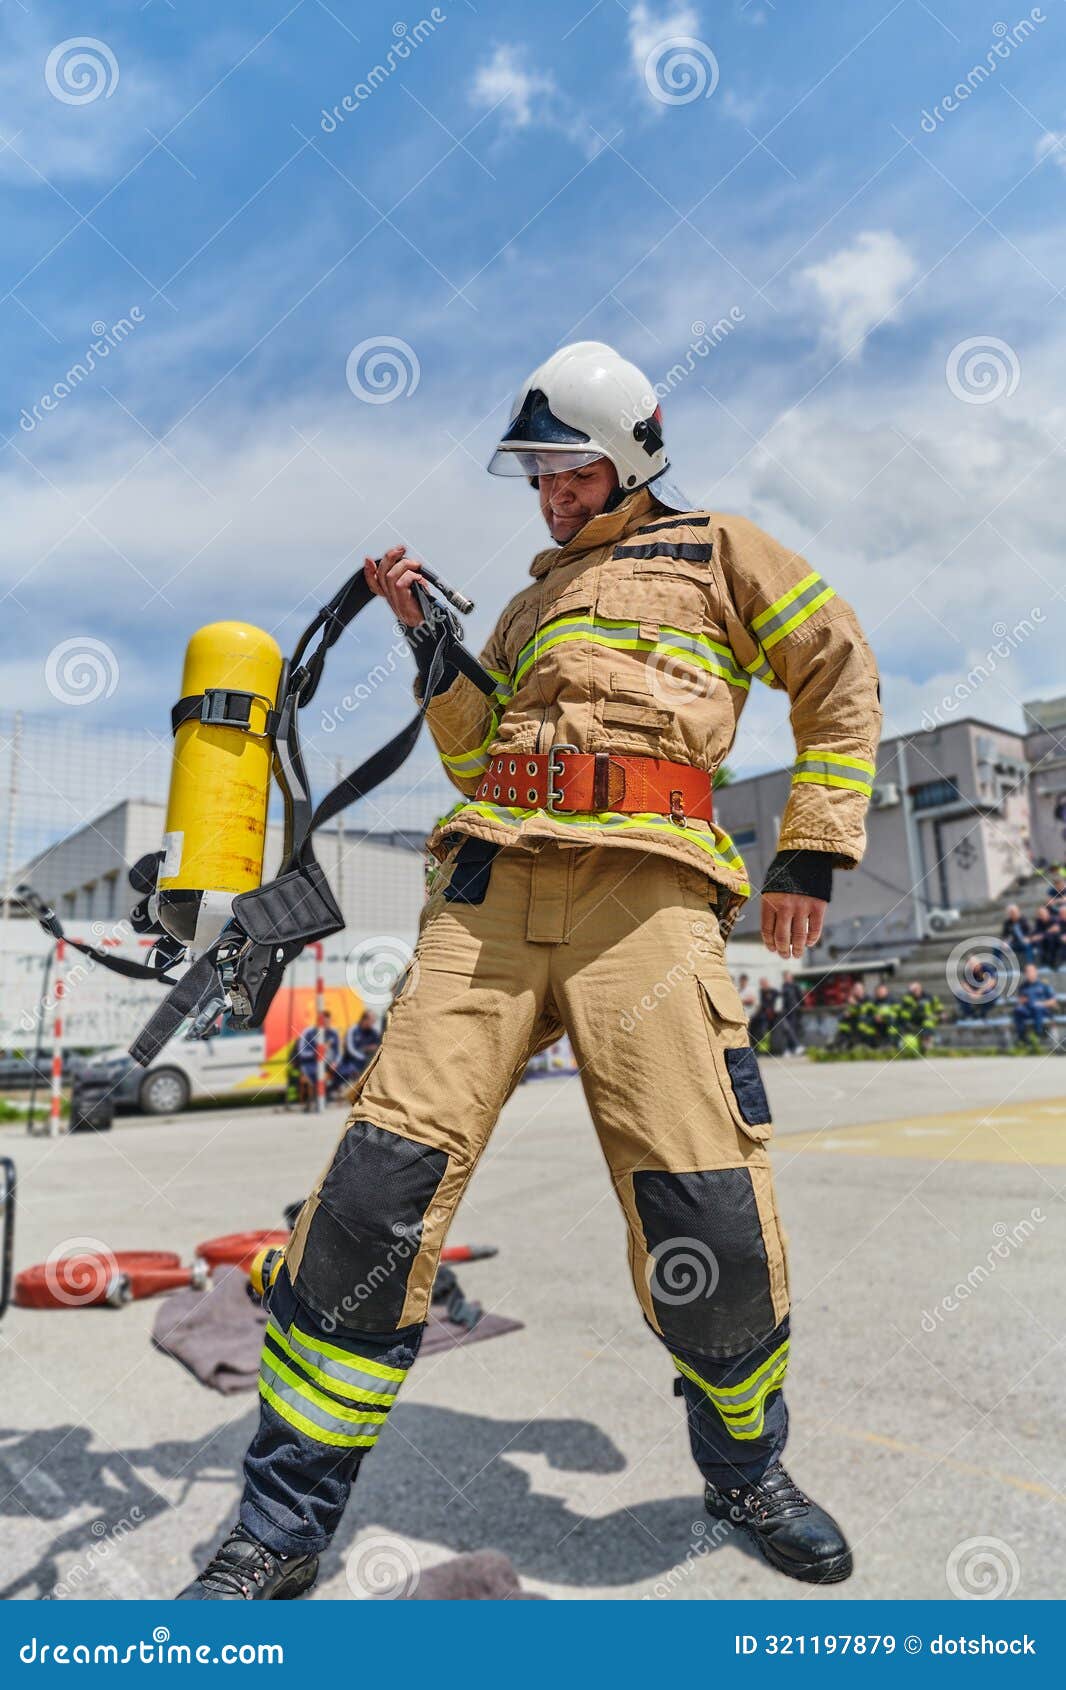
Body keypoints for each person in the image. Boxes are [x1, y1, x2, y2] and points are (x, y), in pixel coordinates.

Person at [180, 339, 880, 1599]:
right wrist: (427, 644)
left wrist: (813, 851)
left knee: (707, 1214)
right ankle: (279, 1530)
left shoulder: (723, 549)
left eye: (567, 472)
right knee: (371, 1201)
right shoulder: (525, 604)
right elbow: (471, 758)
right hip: (489, 894)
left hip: (650, 897)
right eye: (538, 480)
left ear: (629, 454)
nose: (550, 497)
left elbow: (836, 668)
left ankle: (745, 1471)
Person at [294, 1012, 340, 1111]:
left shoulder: (333, 1033)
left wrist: (335, 1062)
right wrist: (316, 1052)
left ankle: (322, 1099)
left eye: (327, 1023)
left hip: (327, 1064)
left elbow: (338, 1052)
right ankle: (316, 1100)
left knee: (341, 1072)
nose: (326, 1025)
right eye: (324, 1022)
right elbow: (302, 1052)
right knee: (317, 1075)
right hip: (309, 1064)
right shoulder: (308, 1032)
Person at [1012, 964, 1059, 1045]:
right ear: (1025, 974)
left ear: (1036, 972)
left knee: (1037, 1008)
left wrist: (1042, 1003)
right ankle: (1022, 1037)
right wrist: (1020, 1003)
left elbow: (1053, 1000)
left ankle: (1038, 1035)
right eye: (1027, 972)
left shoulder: (1044, 985)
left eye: (1031, 971)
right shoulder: (1022, 987)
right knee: (1018, 1010)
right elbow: (1020, 1001)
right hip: (1028, 1010)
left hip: (1043, 1011)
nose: (1029, 973)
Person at [338, 1011, 382, 1090]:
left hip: (367, 1063)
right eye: (372, 1021)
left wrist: (371, 1049)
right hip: (350, 1063)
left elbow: (379, 1047)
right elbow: (351, 1050)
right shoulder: (353, 1030)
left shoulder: (374, 1032)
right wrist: (364, 1053)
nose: (373, 1023)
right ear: (365, 1020)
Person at [896, 981, 940, 1050]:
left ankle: (926, 1043)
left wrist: (938, 1015)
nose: (915, 991)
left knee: (928, 1023)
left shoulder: (929, 997)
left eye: (916, 989)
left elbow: (938, 1007)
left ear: (920, 988)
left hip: (927, 1019)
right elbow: (903, 1013)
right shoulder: (906, 999)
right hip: (912, 1020)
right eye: (913, 990)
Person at [836, 982, 879, 1049]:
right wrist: (845, 1014)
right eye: (856, 989)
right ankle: (844, 1045)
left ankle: (870, 1045)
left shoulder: (869, 999)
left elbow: (864, 1011)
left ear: (863, 990)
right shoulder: (850, 1000)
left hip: (868, 1021)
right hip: (853, 1022)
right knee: (843, 1024)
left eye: (859, 989)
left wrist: (855, 1004)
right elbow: (842, 1013)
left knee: (861, 1020)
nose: (857, 991)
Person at [776, 970, 805, 1056]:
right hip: (785, 1011)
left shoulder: (795, 986)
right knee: (788, 1030)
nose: (786, 978)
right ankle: (792, 1048)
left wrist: (800, 1007)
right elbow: (781, 999)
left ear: (791, 977)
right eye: (785, 977)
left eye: (788, 976)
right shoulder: (783, 986)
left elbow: (800, 997)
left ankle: (792, 1049)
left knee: (792, 1029)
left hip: (794, 1010)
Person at [870, 982, 897, 1049]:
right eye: (879, 991)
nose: (880, 992)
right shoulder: (874, 1002)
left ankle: (890, 1043)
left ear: (886, 991)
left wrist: (883, 1017)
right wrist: (874, 1017)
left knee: (891, 1021)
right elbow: (870, 1012)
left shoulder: (893, 1000)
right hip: (877, 1022)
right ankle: (872, 1045)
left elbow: (895, 1013)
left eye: (882, 991)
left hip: (890, 1021)